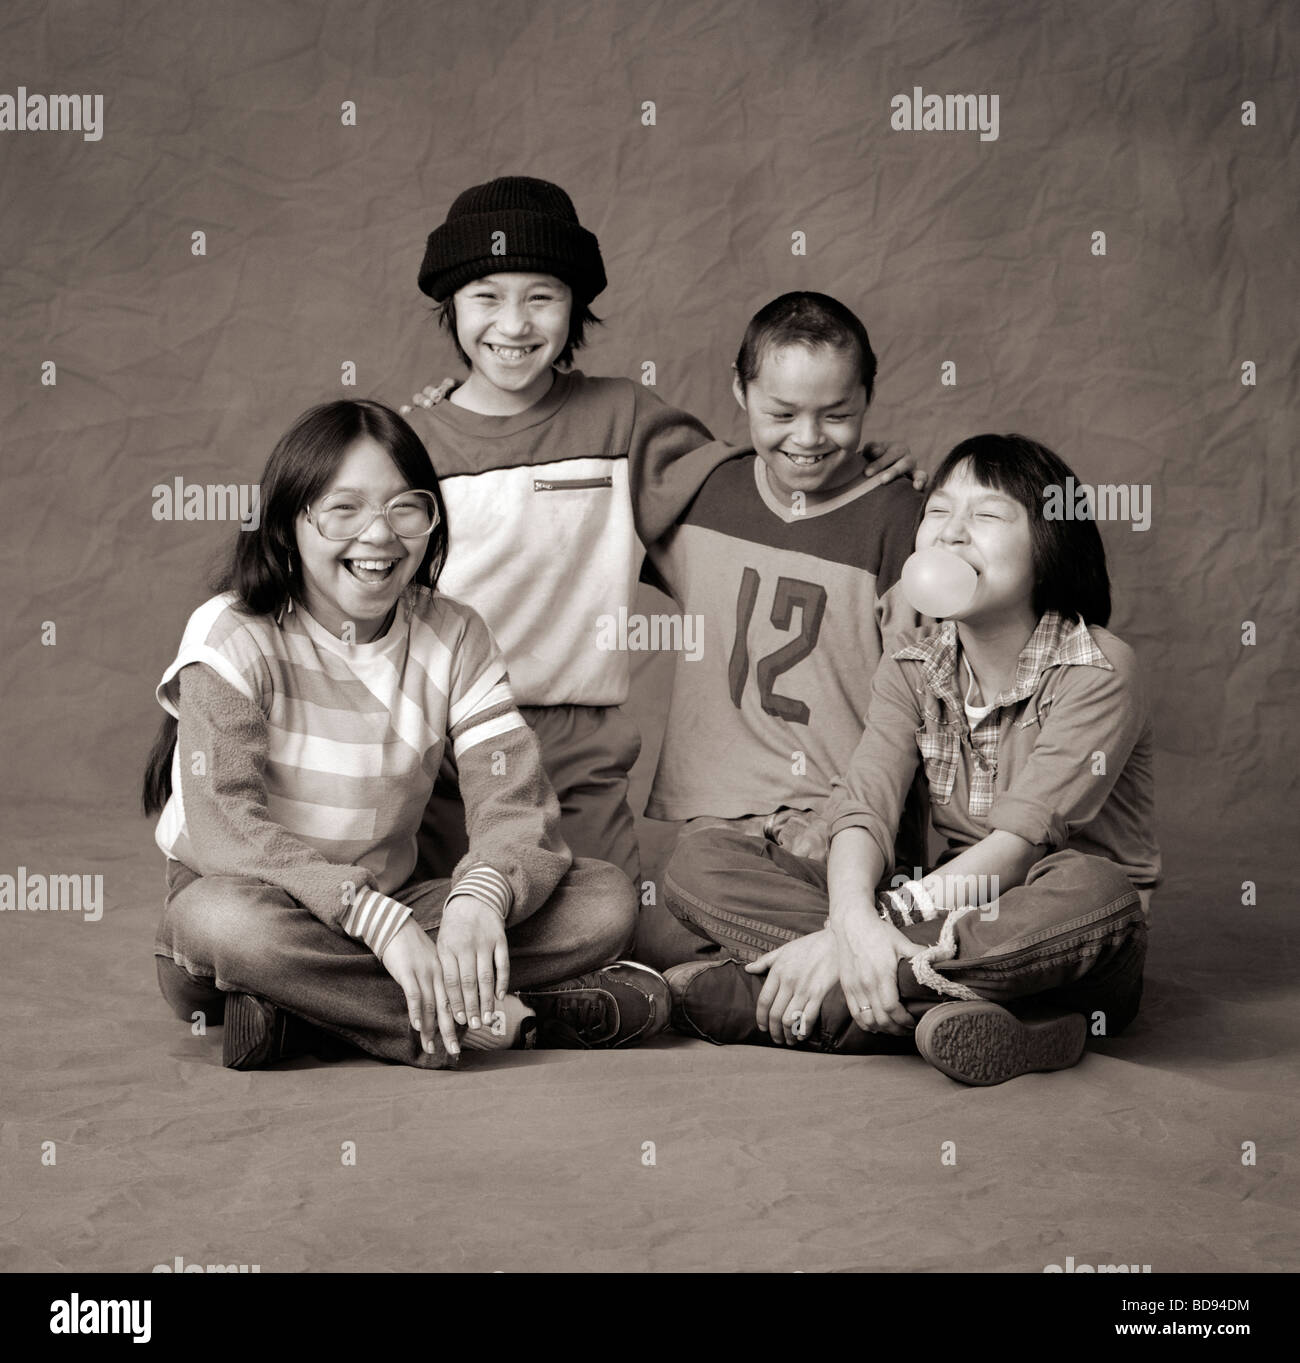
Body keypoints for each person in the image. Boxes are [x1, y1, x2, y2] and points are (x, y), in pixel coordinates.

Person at [398, 177, 920, 886]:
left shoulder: (627, 420)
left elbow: (762, 486)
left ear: (576, 305)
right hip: (437, 742)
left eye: (541, 297)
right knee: (441, 916)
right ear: (450, 306)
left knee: (604, 915)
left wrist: (861, 468)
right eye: (486, 296)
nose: (514, 324)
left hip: (575, 748)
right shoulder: (404, 444)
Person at [142, 398, 670, 1071]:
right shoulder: (231, 632)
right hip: (250, 910)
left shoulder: (454, 635)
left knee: (603, 902)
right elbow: (222, 828)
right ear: (288, 521)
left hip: (392, 908)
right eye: (344, 509)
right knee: (228, 922)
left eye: (405, 507)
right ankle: (485, 1020)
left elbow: (513, 803)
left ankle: (308, 1013)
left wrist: (480, 898)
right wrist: (373, 921)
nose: (379, 535)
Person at [660, 434, 1160, 1085]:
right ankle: (995, 1020)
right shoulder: (913, 663)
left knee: (1096, 886)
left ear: (1050, 544)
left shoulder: (1097, 666)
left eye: (985, 517)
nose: (951, 534)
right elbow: (864, 806)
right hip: (935, 917)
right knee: (699, 862)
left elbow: (1016, 850)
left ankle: (817, 994)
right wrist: (850, 918)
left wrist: (860, 933)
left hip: (1059, 941)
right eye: (939, 511)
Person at [633, 291, 928, 968]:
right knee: (654, 933)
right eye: (781, 412)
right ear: (739, 391)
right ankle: (861, 970)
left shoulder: (906, 520)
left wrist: (840, 826)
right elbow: (560, 450)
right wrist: (453, 405)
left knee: (704, 944)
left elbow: (923, 707)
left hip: (838, 830)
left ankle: (875, 961)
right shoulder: (703, 491)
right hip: (706, 827)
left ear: (869, 397)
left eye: (838, 413)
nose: (808, 436)